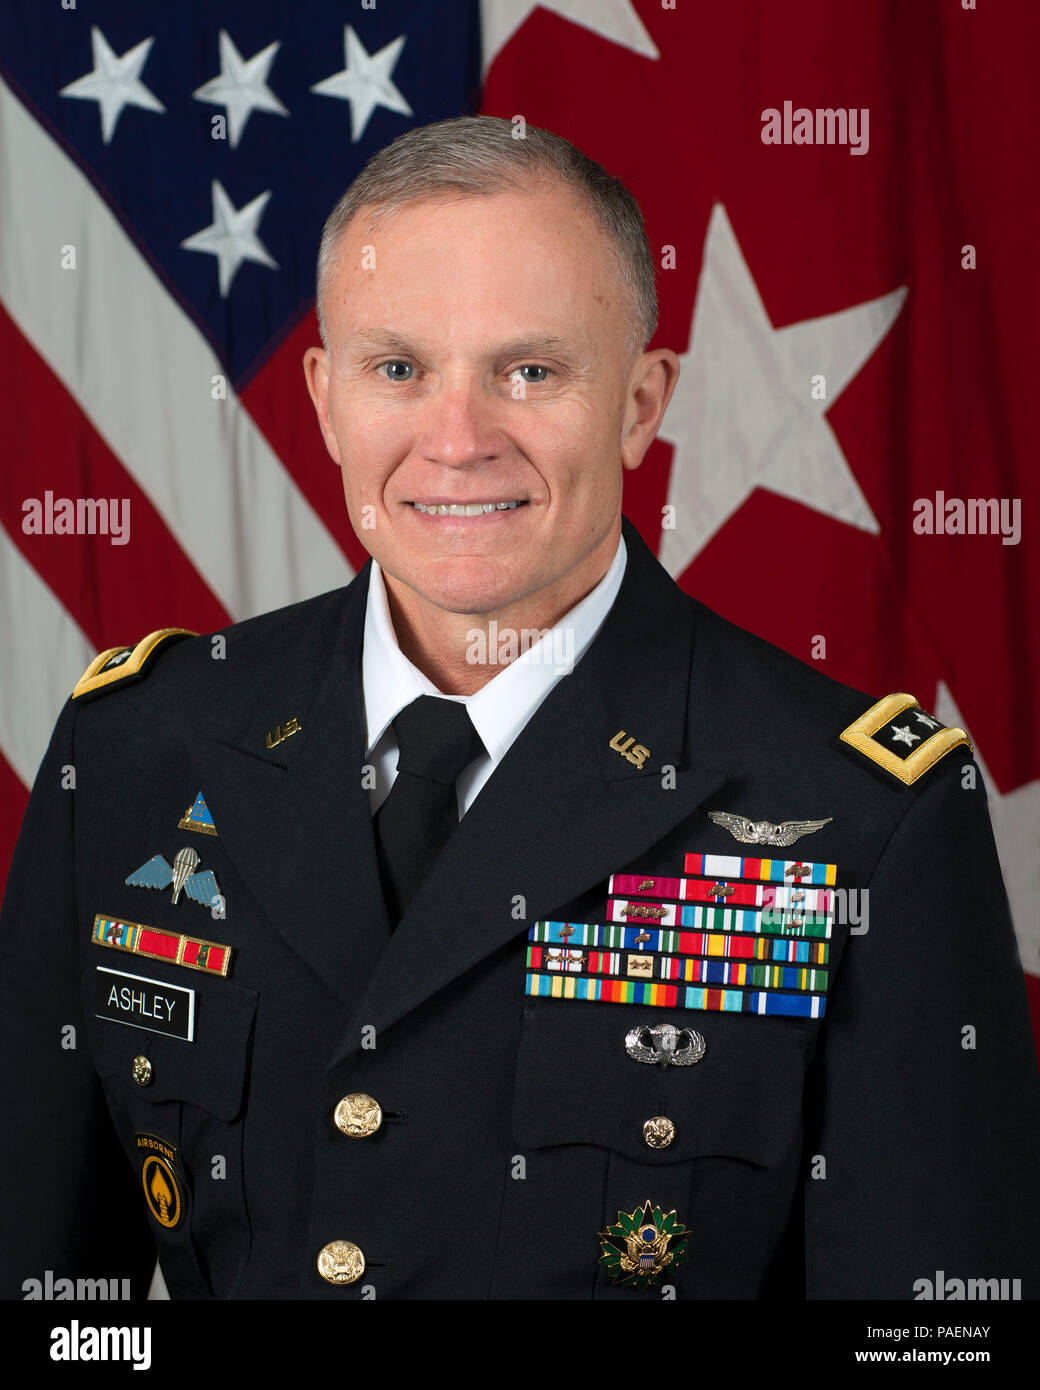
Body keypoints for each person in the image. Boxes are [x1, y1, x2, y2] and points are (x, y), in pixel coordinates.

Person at [1, 116, 1038, 1302]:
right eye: (398, 369)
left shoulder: (857, 814)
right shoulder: (136, 746)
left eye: (529, 371)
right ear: (328, 398)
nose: (457, 440)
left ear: (640, 404)